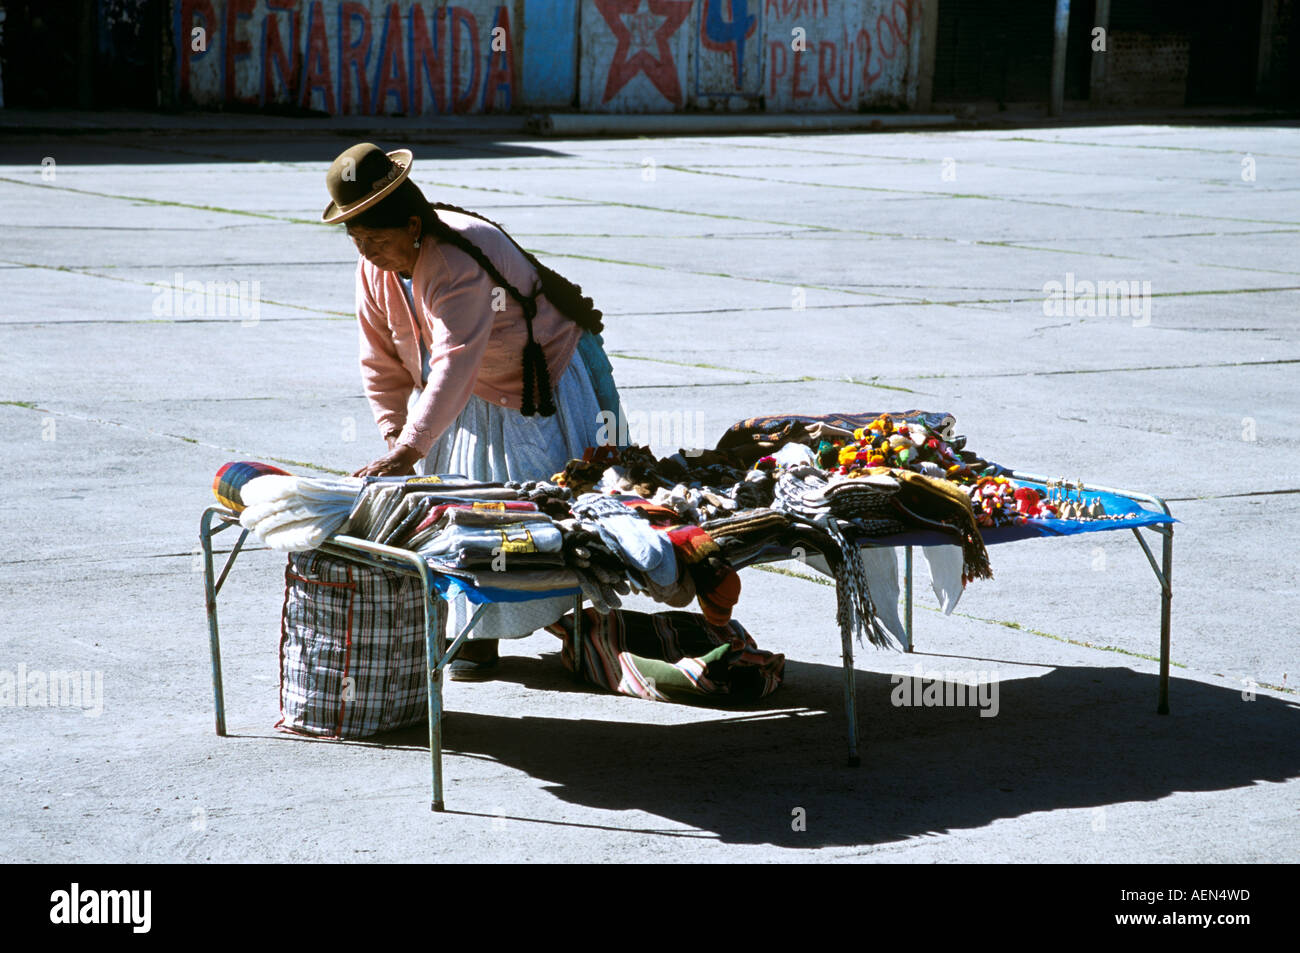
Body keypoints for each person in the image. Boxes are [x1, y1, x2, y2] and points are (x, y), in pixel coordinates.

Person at [322, 142, 624, 679]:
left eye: (376, 238)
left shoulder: (455, 260)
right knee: (461, 514)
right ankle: (476, 634)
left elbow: (455, 359)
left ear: (413, 225)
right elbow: (380, 358)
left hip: (529, 383)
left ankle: (572, 621)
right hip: (458, 393)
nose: (366, 250)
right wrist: (397, 440)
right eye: (356, 238)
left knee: (535, 507)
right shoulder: (374, 270)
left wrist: (413, 445)